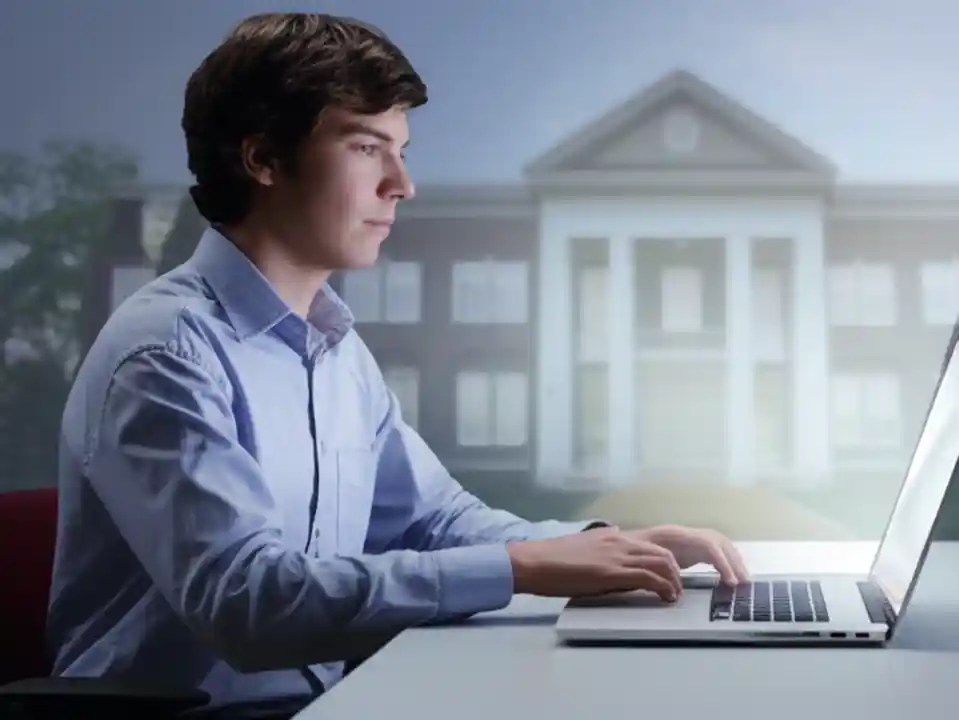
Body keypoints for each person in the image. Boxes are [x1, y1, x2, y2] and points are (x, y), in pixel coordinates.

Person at [46, 12, 748, 718]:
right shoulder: (165, 353)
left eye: (402, 149)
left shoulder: (334, 349)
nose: (403, 183)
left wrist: (604, 547)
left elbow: (434, 522)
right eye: (366, 147)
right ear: (261, 159)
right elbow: (248, 604)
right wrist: (521, 568)